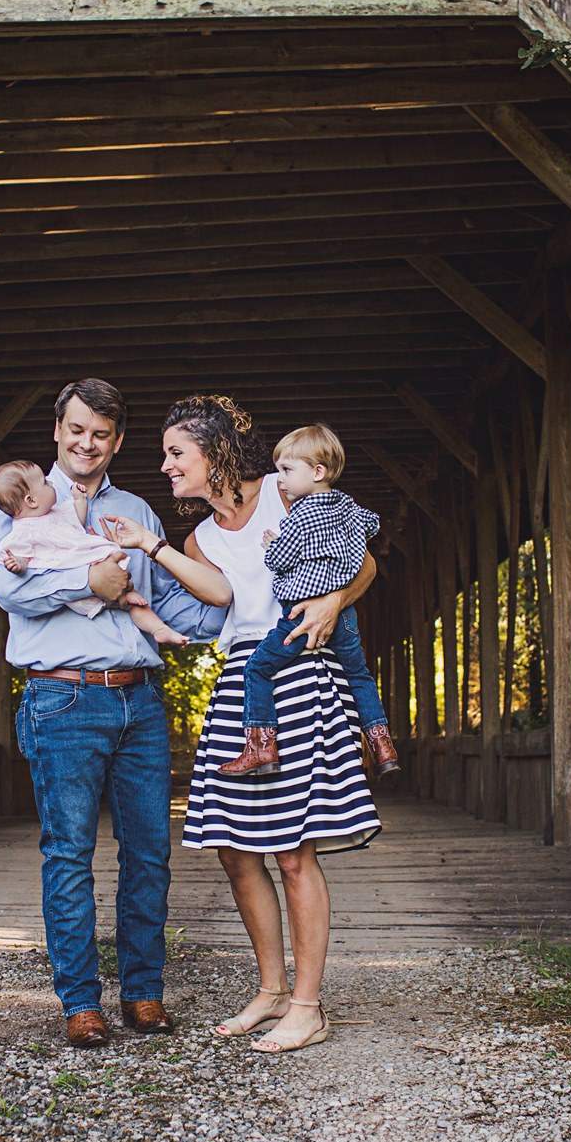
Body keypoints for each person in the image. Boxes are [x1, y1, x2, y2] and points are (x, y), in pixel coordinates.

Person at [99, 394, 381, 1056]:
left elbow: (363, 564)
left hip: (300, 675)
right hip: (238, 681)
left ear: (216, 450)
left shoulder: (292, 496)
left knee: (292, 850)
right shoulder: (198, 536)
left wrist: (332, 604)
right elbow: (221, 596)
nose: (165, 466)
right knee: (234, 849)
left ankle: (307, 1006)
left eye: (175, 453)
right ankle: (271, 989)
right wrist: (150, 547)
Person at [0, 379, 231, 1049]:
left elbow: (162, 604)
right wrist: (83, 582)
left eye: (100, 434)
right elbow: (8, 587)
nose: (85, 443)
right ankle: (80, 1002)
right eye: (75, 430)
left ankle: (143, 994)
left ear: (116, 440)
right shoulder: (18, 498)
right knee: (68, 852)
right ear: (57, 430)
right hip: (61, 695)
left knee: (149, 851)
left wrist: (239, 607)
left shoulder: (137, 512)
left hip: (138, 697)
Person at [217, 423, 398, 779]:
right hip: (344, 614)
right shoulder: (346, 504)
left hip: (299, 615)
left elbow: (279, 560)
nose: (279, 479)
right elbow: (372, 525)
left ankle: (261, 746)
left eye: (286, 470)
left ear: (317, 472)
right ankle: (382, 745)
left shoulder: (299, 516)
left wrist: (272, 543)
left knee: (256, 668)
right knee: (359, 675)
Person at [0, 458, 188, 647]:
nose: (50, 483)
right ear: (31, 500)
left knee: (132, 599)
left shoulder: (57, 512)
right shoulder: (22, 531)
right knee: (128, 600)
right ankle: (136, 607)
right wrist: (18, 565)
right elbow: (17, 572)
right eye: (44, 483)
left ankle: (158, 628)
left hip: (93, 561)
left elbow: (77, 520)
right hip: (77, 581)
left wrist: (78, 499)